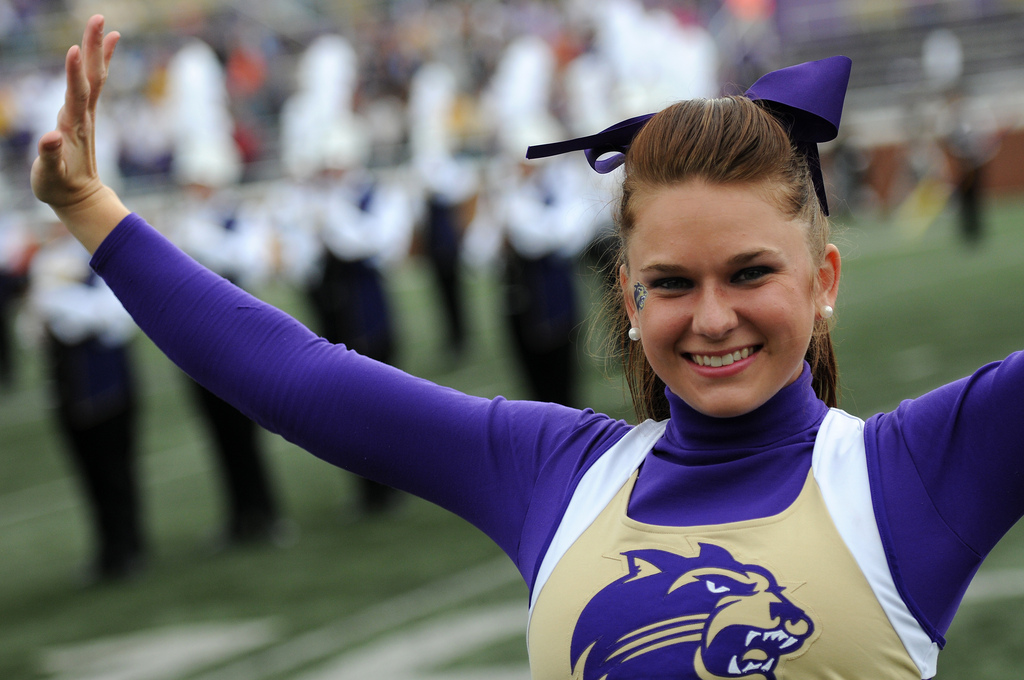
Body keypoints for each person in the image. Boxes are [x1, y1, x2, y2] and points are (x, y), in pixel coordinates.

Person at [32, 17, 1024, 679]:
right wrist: (92, 210)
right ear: (629, 299)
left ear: (824, 283)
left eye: (751, 273)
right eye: (671, 283)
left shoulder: (915, 472)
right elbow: (297, 377)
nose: (712, 315)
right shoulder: (555, 474)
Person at [27, 215, 145, 582]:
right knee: (88, 473)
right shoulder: (43, 265)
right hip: (68, 388)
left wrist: (59, 301)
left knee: (117, 470)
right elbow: (31, 330)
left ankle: (131, 547)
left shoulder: (100, 257)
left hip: (109, 385)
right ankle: (108, 549)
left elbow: (112, 317)